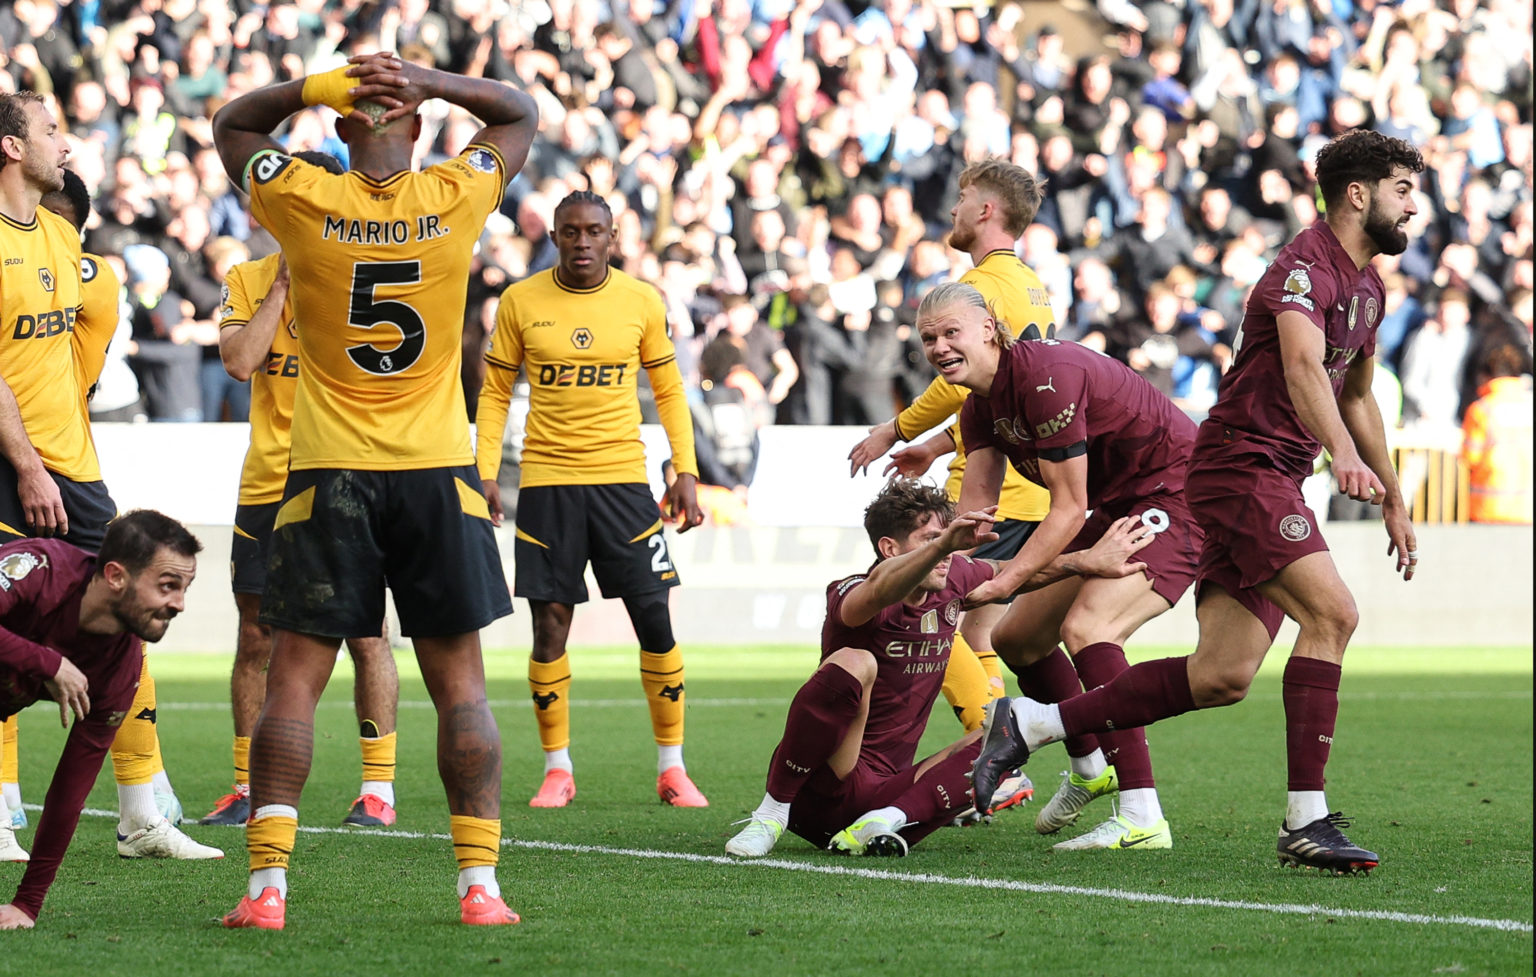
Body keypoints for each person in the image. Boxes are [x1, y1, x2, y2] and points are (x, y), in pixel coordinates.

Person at [971, 130, 1425, 874]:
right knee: (1334, 614)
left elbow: (1360, 395)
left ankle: (1033, 721)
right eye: (1403, 189)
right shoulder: (1304, 270)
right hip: (1240, 468)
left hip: (1272, 473)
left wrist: (1395, 497)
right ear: (1358, 193)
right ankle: (1305, 820)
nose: (1413, 205)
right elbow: (1305, 364)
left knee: (1223, 674)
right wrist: (1340, 453)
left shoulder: (1368, 287)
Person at [210, 51, 538, 928]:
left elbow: (234, 123)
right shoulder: (454, 197)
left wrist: (319, 88)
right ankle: (481, 890)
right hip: (436, 470)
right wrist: (431, 78)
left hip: (327, 470)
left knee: (293, 683)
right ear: (423, 128)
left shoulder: (305, 202)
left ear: (343, 131)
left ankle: (266, 891)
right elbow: (517, 112)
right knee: (460, 684)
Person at [912, 280, 1200, 850]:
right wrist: (931, 570)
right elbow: (975, 518)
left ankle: (1143, 815)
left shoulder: (1047, 378)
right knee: (1018, 639)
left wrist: (1008, 580)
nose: (940, 347)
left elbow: (1067, 510)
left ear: (990, 329)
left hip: (1181, 490)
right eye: (928, 338)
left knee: (1088, 628)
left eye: (952, 332)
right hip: (1122, 501)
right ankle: (1093, 768)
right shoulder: (979, 409)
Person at [724, 478, 1154, 859]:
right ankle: (771, 813)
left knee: (1009, 728)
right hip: (819, 788)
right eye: (930, 539)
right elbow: (876, 590)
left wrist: (1083, 561)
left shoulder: (951, 580)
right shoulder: (855, 590)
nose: (946, 550)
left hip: (884, 794)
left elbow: (1009, 572)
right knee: (855, 662)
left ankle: (887, 822)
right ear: (889, 549)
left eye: (947, 537)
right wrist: (944, 544)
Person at [1, 100, 212, 861]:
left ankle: (141, 811)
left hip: (76, 470)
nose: (69, 144)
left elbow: (75, 373)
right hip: (17, 465)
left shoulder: (67, 245)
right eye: (53, 132)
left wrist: (53, 457)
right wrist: (26, 463)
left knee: (128, 612)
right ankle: (0, 812)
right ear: (12, 144)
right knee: (10, 623)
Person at [847, 158, 1077, 814]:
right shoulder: (1032, 285)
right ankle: (1034, 757)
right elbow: (1002, 396)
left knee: (917, 611)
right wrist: (931, 443)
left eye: (961, 200)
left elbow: (958, 382)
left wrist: (893, 428)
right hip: (1027, 482)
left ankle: (997, 757)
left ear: (985, 212)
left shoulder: (979, 287)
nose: (952, 211)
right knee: (981, 637)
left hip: (988, 490)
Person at [474, 188, 709, 810]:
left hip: (624, 483)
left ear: (612, 237)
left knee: (654, 618)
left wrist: (684, 468)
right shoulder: (521, 301)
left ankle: (672, 767)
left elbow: (670, 390)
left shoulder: (639, 300)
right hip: (547, 484)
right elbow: (495, 393)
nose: (582, 242)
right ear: (553, 237)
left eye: (594, 232)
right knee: (549, 627)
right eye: (570, 232)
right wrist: (485, 470)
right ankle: (558, 768)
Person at [200, 150, 401, 830]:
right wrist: (284, 289)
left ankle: (377, 790)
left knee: (366, 635)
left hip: (349, 479)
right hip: (268, 484)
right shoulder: (247, 279)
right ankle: (244, 788)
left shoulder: (366, 279)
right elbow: (237, 361)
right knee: (255, 635)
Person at [0, 510, 204, 930]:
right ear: (115, 576)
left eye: (185, 588)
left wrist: (26, 904)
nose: (179, 604)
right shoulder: (39, 569)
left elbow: (69, 789)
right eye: (168, 585)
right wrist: (48, 663)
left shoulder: (119, 669)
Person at [1461, 343, 1533, 524]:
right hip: (1527, 507)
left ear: (1485, 376)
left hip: (1489, 507)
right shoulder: (1529, 406)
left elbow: (1471, 457)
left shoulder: (1482, 409)